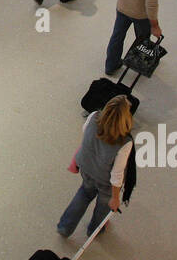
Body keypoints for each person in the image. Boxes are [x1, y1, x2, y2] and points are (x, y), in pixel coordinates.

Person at [57, 95, 134, 238]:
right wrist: (116, 198)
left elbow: (85, 136)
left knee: (84, 193)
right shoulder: (125, 142)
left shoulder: (93, 117)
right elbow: (117, 174)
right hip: (105, 180)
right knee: (103, 205)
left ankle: (65, 227)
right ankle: (94, 230)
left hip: (87, 168)